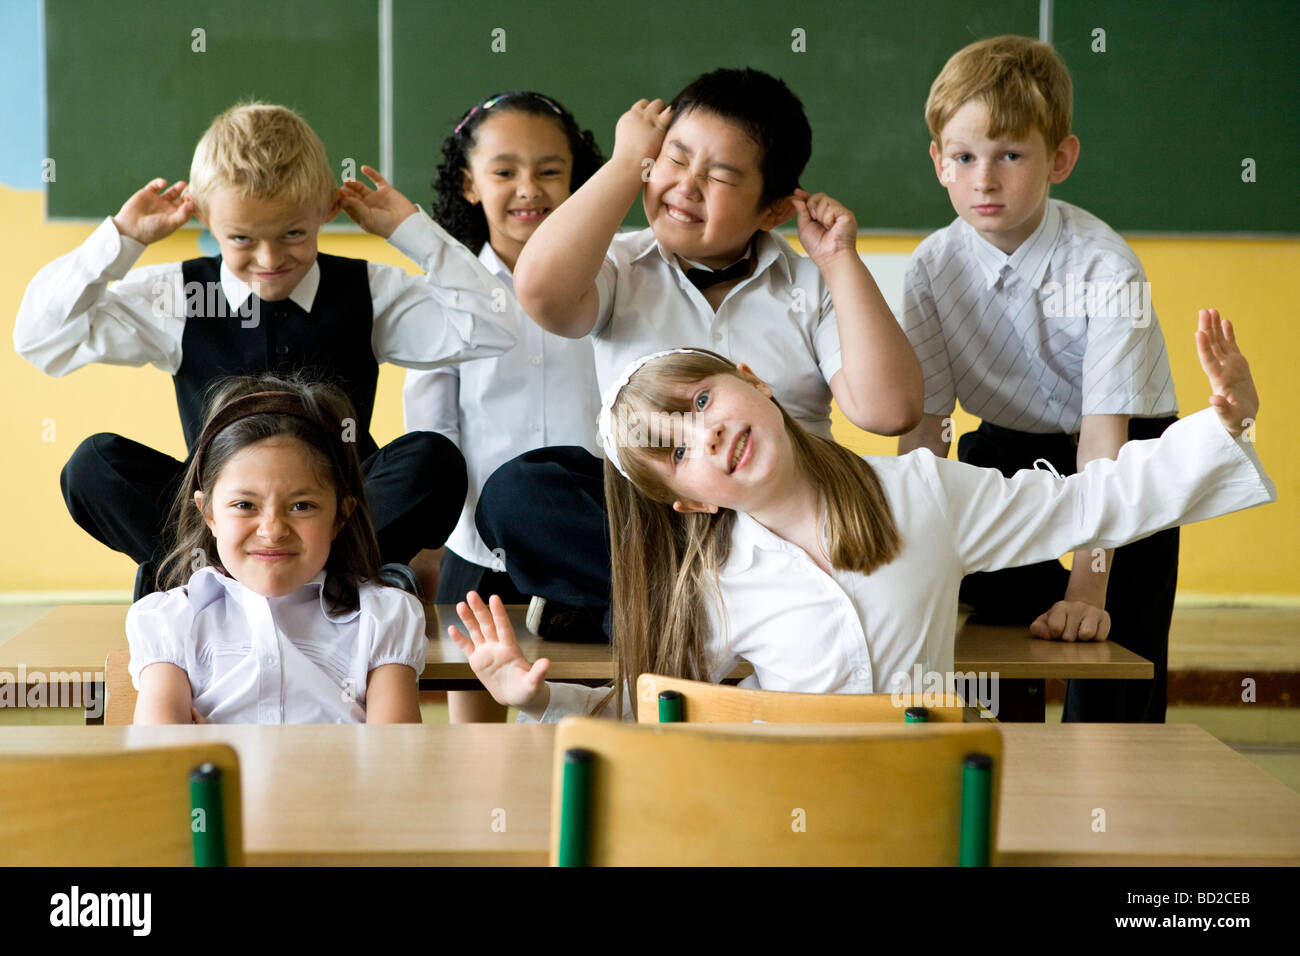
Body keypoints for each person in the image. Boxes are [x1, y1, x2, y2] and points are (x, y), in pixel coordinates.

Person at [449, 311, 1273, 722]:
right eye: (677, 449)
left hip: (926, 805)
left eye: (703, 400)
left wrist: (1225, 425)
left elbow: (1090, 501)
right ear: (690, 498)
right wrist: (534, 700)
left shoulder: (922, 493)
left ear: (753, 378)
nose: (709, 433)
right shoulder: (713, 584)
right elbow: (651, 714)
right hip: (794, 819)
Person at [477, 67, 922, 640]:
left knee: (893, 501)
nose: (686, 186)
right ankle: (689, 610)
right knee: (519, 493)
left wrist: (840, 261)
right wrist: (623, 164)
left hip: (776, 526)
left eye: (720, 177)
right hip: (651, 530)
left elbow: (891, 411)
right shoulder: (618, 267)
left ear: (773, 210)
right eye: (675, 158)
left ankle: (647, 612)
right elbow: (541, 293)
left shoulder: (807, 289)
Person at [15, 102, 516, 600]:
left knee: (434, 460)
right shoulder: (179, 296)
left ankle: (320, 577)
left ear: (327, 208)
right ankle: (237, 577)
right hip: (216, 525)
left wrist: (412, 232)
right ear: (204, 217)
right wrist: (120, 240)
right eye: (242, 239)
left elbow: (495, 326)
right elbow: (41, 338)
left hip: (338, 517)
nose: (270, 259)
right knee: (93, 466)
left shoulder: (367, 290)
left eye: (294, 234)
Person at [897, 35, 1179, 721]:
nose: (983, 180)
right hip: (1004, 448)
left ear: (1060, 158)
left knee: (1113, 655)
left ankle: (1111, 803)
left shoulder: (1107, 268)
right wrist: (914, 563)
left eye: (1010, 155)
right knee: (992, 641)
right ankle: (1004, 777)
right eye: (963, 157)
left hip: (1124, 453)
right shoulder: (930, 270)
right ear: (938, 163)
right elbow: (927, 431)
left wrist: (1088, 588)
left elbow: (1103, 445)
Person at [396, 90, 605, 721]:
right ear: (468, 184)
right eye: (505, 171)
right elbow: (433, 431)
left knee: (584, 714)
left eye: (549, 171)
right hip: (478, 552)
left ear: (579, 181)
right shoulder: (446, 294)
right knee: (477, 739)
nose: (528, 189)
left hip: (584, 538)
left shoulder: (612, 281)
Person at [129, 374, 425, 724]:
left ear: (341, 515)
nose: (272, 530)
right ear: (208, 513)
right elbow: (164, 767)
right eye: (244, 505)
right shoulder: (172, 621)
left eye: (301, 506)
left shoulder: (382, 618)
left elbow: (394, 766)